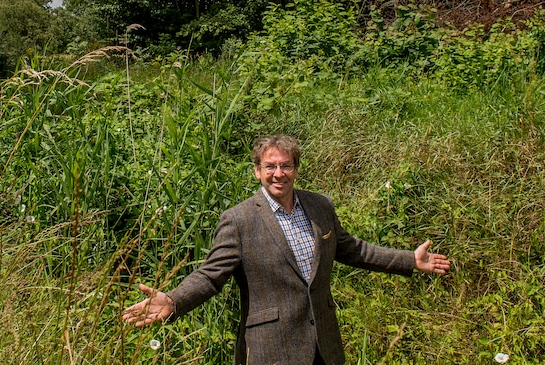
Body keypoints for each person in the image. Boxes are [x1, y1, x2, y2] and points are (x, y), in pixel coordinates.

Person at [122, 135, 451, 365]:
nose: (278, 174)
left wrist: (409, 260)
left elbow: (354, 249)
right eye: (270, 166)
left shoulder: (319, 206)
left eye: (286, 166)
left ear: (296, 169)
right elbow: (210, 276)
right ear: (257, 171)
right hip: (272, 350)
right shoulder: (239, 220)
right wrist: (175, 300)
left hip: (325, 347)